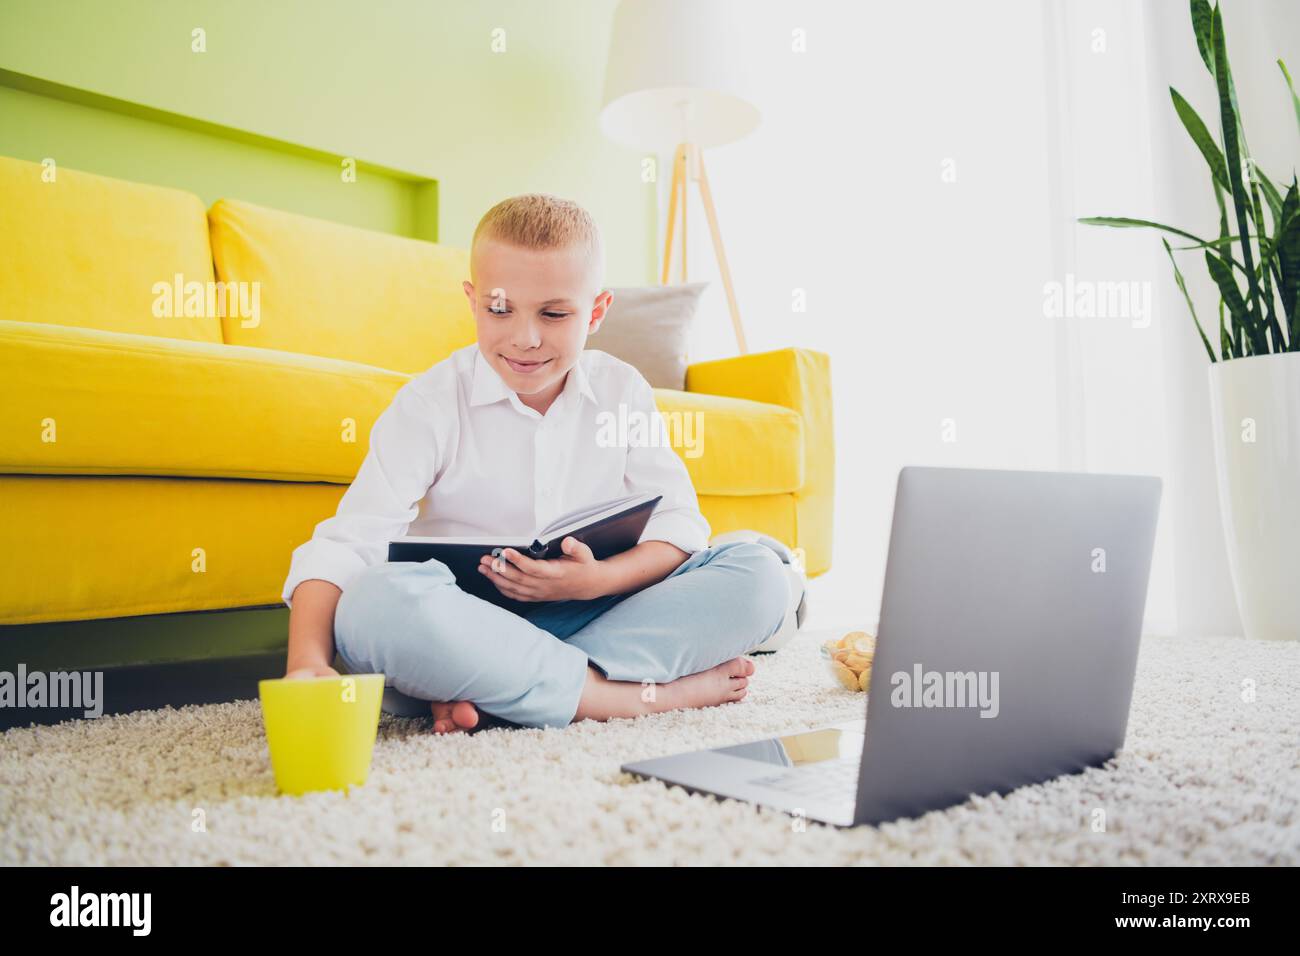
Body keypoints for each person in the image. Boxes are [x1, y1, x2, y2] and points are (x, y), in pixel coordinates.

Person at [281, 194, 789, 732]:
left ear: (595, 312)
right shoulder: (429, 403)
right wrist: (308, 666)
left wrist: (595, 582)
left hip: (594, 609)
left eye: (553, 313)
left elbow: (679, 523)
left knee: (759, 574)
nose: (525, 339)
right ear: (473, 302)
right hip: (461, 624)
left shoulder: (622, 390)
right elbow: (346, 543)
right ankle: (630, 696)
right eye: (500, 309)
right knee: (371, 606)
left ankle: (495, 689)